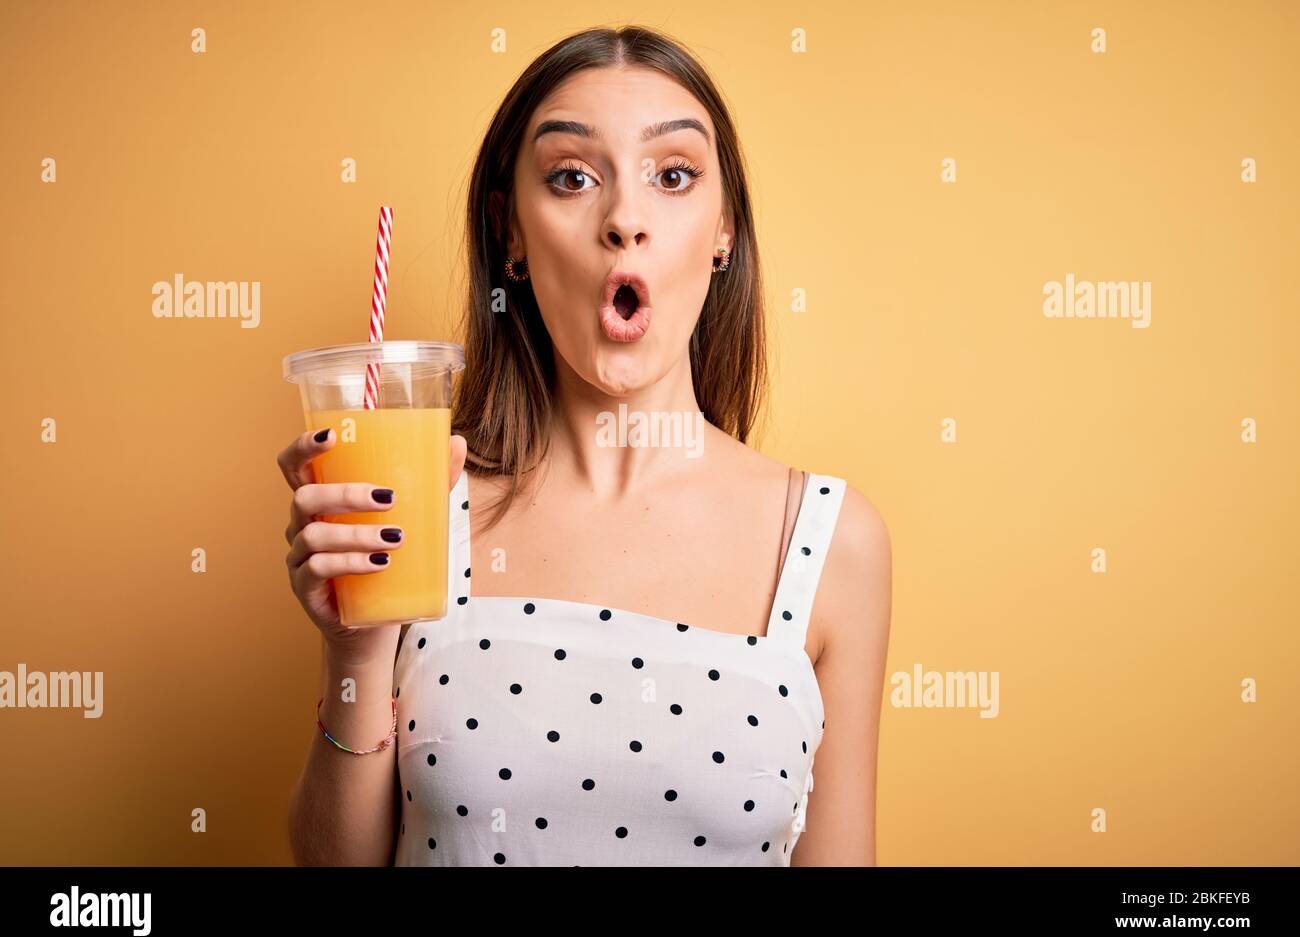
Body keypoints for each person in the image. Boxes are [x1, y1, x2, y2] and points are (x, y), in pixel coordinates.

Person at [281, 25, 891, 866]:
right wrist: (353, 650)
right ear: (512, 235)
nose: (625, 220)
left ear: (723, 230)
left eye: (672, 176)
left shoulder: (829, 540)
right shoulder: (420, 509)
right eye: (572, 178)